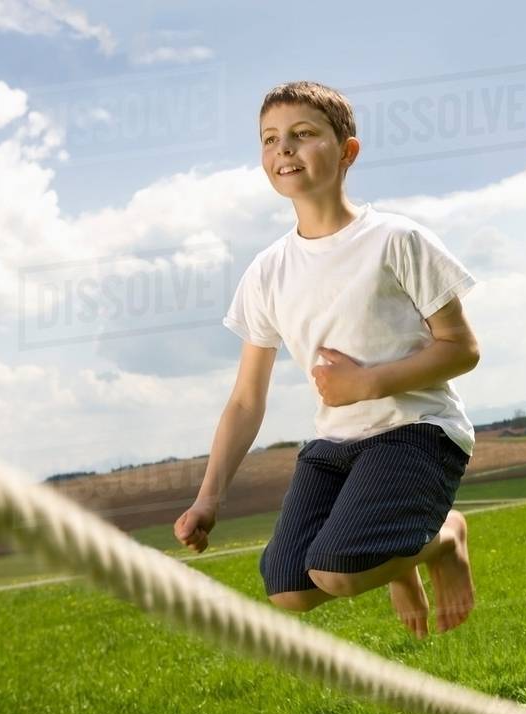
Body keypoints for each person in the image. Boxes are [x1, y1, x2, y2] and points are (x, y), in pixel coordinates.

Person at [174, 81, 479, 639]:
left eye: (303, 134)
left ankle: (444, 538)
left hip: (417, 431)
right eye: (270, 139)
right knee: (289, 588)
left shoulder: (397, 239)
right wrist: (208, 499)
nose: (283, 149)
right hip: (334, 446)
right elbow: (246, 399)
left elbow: (462, 348)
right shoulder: (266, 272)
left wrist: (366, 384)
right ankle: (395, 556)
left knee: (338, 571)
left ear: (347, 152)